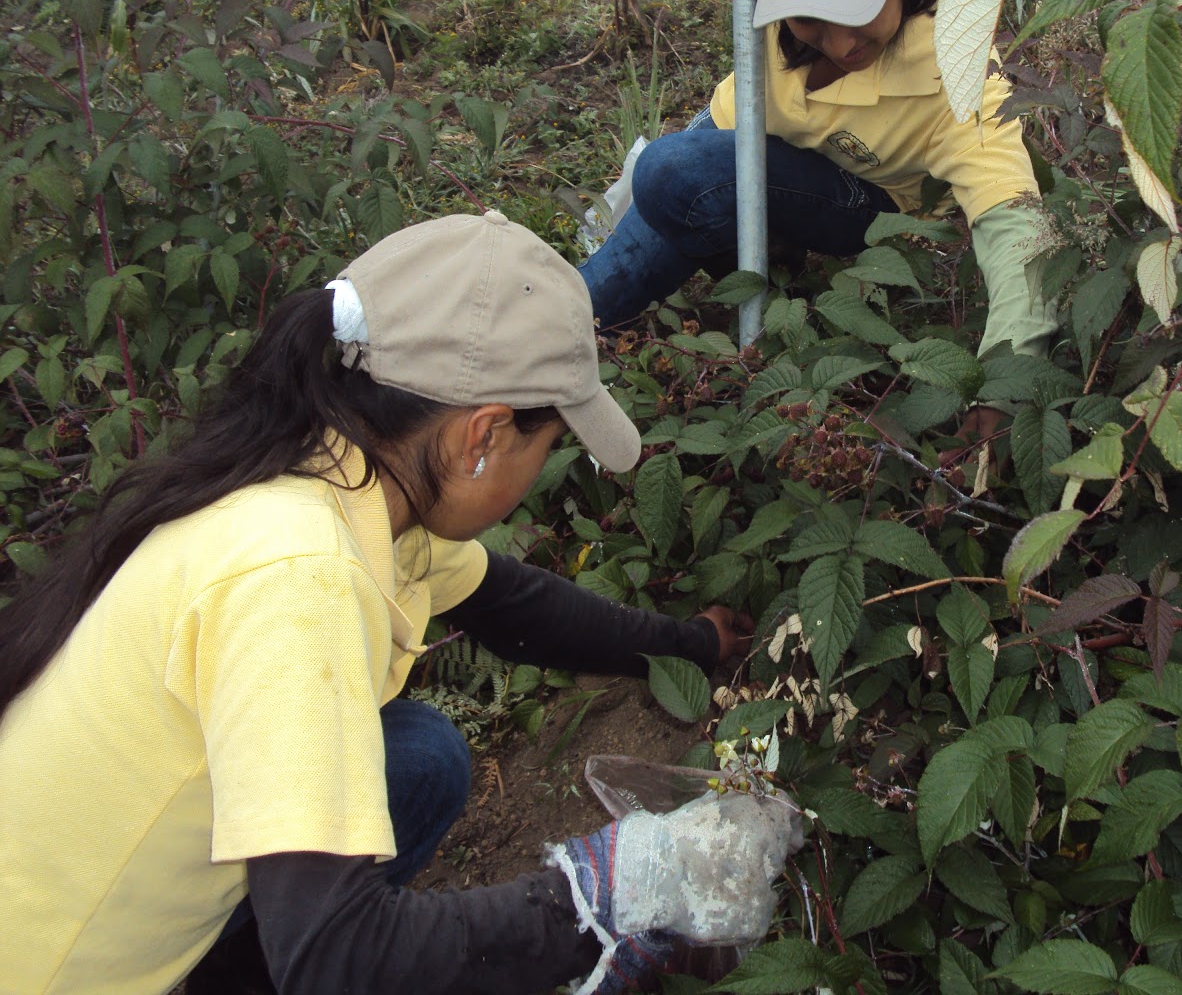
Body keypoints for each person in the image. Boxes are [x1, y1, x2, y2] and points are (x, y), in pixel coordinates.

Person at [0, 211, 803, 995]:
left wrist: (690, 642)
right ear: (481, 436)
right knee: (403, 794)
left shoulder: (326, 472)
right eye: (549, 442)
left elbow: (515, 604)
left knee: (418, 757)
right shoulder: (297, 577)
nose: (537, 474)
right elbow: (338, 959)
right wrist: (604, 894)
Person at [580, 0, 1059, 452]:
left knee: (671, 177)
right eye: (809, 18)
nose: (839, 44)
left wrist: (1006, 374)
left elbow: (1015, 228)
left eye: (857, 12)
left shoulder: (958, 65)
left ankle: (731, 256)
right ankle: (557, 334)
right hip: (737, 138)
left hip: (858, 198)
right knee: (592, 290)